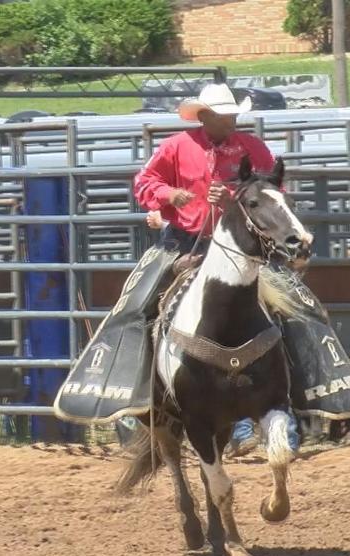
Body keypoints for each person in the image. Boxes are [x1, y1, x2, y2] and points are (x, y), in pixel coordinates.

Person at [56, 82, 304, 455]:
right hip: (183, 242)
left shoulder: (252, 149)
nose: (231, 120)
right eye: (224, 115)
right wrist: (169, 195)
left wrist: (235, 200)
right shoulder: (176, 147)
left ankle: (297, 403)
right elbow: (144, 183)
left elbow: (273, 194)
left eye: (233, 114)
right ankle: (132, 396)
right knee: (136, 306)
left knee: (296, 308)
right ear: (204, 116)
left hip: (244, 247)